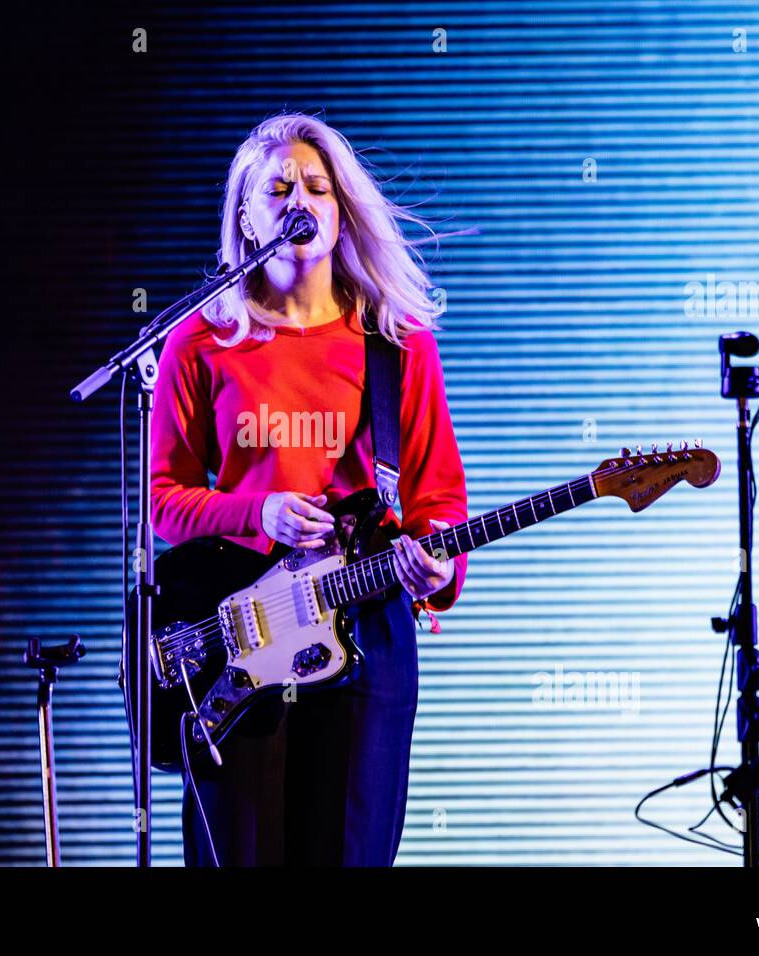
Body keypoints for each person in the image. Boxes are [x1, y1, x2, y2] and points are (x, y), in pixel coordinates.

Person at [150, 112, 469, 866]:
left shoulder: (395, 343)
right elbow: (165, 500)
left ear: (342, 209)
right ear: (246, 214)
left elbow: (438, 500)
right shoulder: (200, 341)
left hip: (366, 627)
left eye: (319, 187)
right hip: (241, 638)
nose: (302, 199)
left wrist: (440, 566)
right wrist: (256, 511)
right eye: (280, 187)